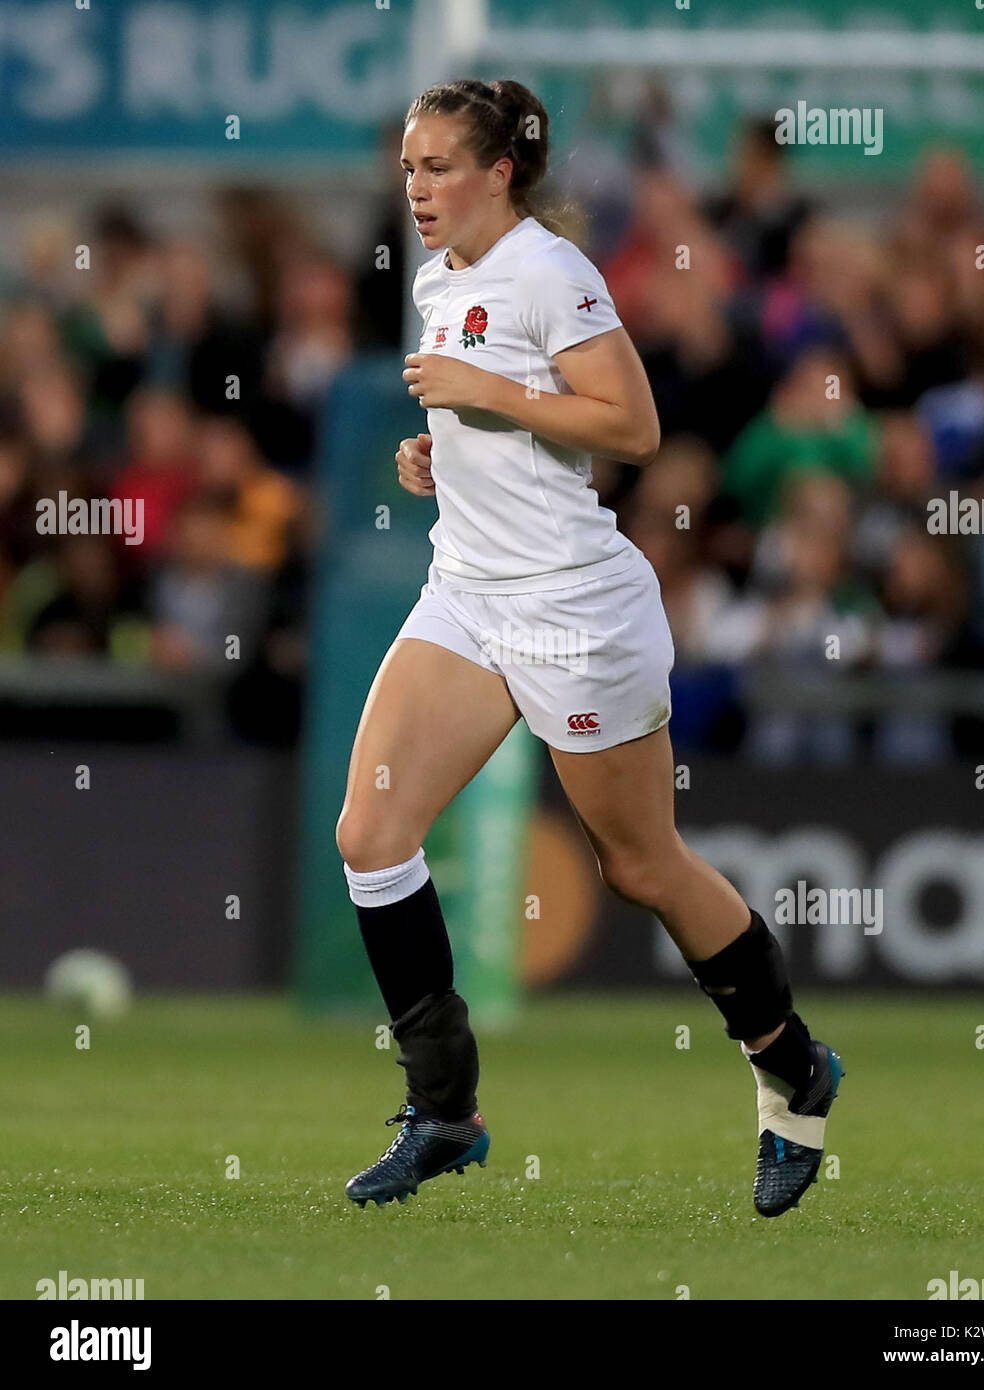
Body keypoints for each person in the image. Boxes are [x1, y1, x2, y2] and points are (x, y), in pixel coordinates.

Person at [336, 78, 843, 1218]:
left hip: (574, 604)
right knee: (370, 831)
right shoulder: (436, 278)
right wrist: (441, 450)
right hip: (468, 590)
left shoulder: (551, 270)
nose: (415, 187)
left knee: (642, 867)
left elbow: (632, 425)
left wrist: (487, 393)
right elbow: (496, 426)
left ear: (499, 171)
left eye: (438, 166)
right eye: (408, 166)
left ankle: (792, 1067)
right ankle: (444, 1110)